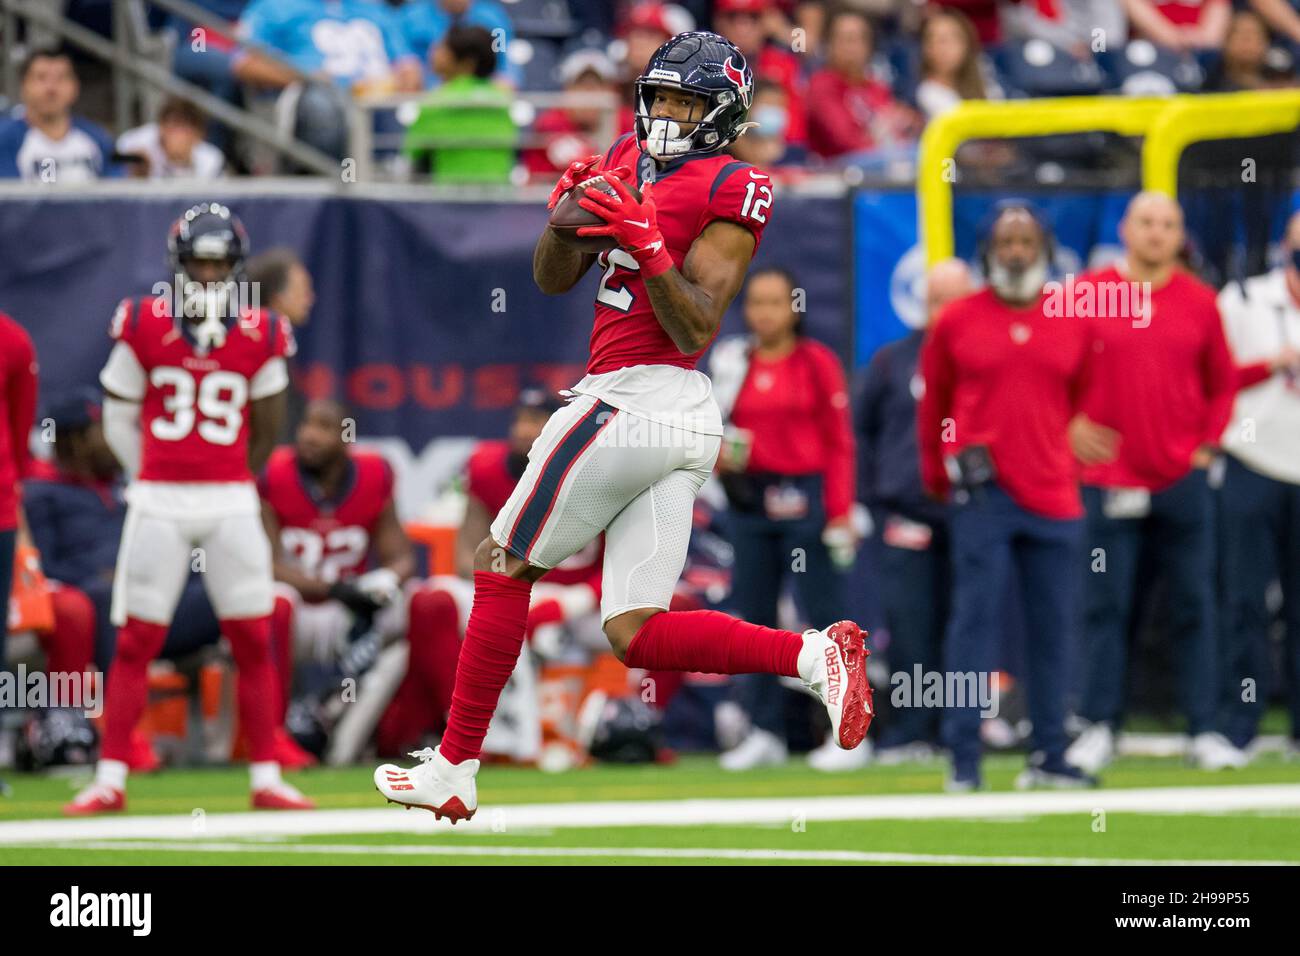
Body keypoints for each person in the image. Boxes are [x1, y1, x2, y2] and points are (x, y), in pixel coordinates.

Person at [374, 30, 872, 822]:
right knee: (637, 632)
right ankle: (815, 654)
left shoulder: (735, 184)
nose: (669, 113)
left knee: (502, 561)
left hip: (641, 394)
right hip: (664, 416)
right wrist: (563, 221)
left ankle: (457, 764)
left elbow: (694, 326)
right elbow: (551, 279)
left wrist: (648, 246)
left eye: (687, 101)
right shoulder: (623, 155)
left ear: (722, 113)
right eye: (662, 97)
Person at [65, 203, 314, 815]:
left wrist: (234, 474)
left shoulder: (262, 330)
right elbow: (119, 413)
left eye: (219, 263)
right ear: (179, 263)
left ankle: (266, 775)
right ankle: (111, 777)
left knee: (253, 636)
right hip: (159, 499)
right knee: (136, 640)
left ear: (235, 266)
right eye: (199, 263)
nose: (208, 275)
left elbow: (268, 425)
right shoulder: (144, 321)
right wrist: (145, 474)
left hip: (229, 499)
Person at [918, 204, 1093, 792]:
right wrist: (939, 478)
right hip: (984, 494)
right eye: (1005, 240)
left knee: (1054, 629)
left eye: (1025, 240)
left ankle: (1050, 754)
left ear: (1043, 247)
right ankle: (963, 759)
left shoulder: (1073, 319)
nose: (1016, 251)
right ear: (987, 249)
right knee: (974, 627)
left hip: (1055, 495)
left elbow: (1090, 402)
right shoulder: (958, 320)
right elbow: (934, 406)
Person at [1067, 192, 1243, 773]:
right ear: (1125, 228)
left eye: (1168, 224)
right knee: (1105, 606)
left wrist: (1207, 443)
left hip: (1181, 481)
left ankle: (1206, 729)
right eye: (1146, 222)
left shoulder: (1199, 301)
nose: (1156, 233)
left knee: (1195, 603)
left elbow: (1223, 383)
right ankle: (1097, 725)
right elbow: (1048, 373)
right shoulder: (1087, 294)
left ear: (1179, 234)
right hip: (1107, 478)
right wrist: (1068, 425)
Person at [376, 390, 604, 758]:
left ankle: (641, 728)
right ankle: (462, 728)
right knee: (431, 600)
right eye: (520, 420)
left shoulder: (598, 473)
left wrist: (574, 602)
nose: (523, 430)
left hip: (581, 600)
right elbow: (469, 555)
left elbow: (625, 562)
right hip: (511, 586)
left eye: (536, 421)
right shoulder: (487, 469)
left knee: (669, 608)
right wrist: (508, 587)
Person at [704, 267, 857, 772]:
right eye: (756, 303)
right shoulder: (733, 362)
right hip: (752, 502)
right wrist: (720, 457)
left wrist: (838, 513)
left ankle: (851, 731)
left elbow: (839, 443)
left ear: (795, 308)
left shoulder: (816, 363)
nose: (764, 313)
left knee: (827, 616)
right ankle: (764, 729)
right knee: (753, 620)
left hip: (806, 501)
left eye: (775, 302)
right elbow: (715, 427)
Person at [855, 258, 973, 769]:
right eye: (937, 299)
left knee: (969, 624)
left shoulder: (986, 358)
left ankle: (961, 727)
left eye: (955, 299)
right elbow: (860, 433)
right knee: (910, 625)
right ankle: (908, 730)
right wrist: (868, 498)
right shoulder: (892, 362)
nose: (945, 310)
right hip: (908, 512)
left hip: (974, 511)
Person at [260, 398, 416, 765]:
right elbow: (266, 565)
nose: (310, 436)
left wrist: (382, 581)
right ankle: (272, 738)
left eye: (324, 427)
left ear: (347, 438)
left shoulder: (375, 473)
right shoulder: (273, 474)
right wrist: (333, 590)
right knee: (272, 601)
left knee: (421, 605)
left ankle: (401, 736)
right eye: (307, 425)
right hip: (300, 612)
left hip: (348, 613)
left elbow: (402, 558)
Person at [1214, 210, 1300, 755]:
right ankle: (1237, 724)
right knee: (1243, 599)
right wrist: (1270, 364)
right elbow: (1214, 376)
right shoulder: (1243, 300)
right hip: (1252, 459)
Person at [402, 25, 517, 184]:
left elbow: (412, 153)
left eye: (443, 49)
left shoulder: (436, 100)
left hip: (447, 201)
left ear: (467, 62)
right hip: (501, 199)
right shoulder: (503, 100)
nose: (434, 53)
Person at [806, 8, 920, 162]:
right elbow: (845, 142)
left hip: (879, 169)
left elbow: (898, 130)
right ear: (829, 44)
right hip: (836, 173)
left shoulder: (877, 87)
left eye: (859, 39)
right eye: (845, 39)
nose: (852, 47)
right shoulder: (822, 85)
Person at [0, 49, 121, 182]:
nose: (51, 88)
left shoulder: (98, 139)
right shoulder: (5, 139)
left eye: (60, 78)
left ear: (75, 87)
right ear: (23, 86)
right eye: (41, 78)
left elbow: (117, 188)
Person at [523, 49, 624, 181]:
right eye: (581, 87)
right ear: (567, 90)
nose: (588, 97)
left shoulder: (624, 122)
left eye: (596, 87)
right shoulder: (550, 123)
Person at [402, 0, 519, 87]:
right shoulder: (412, 17)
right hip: (427, 93)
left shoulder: (494, 18)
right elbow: (404, 58)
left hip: (482, 94)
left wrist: (505, 80)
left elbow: (504, 58)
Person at [916, 8, 999, 120]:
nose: (946, 48)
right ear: (927, 49)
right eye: (941, 40)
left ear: (967, 43)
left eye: (954, 38)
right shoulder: (927, 91)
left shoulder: (983, 76)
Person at [116, 97, 227, 180]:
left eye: (184, 128)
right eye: (173, 126)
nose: (178, 135)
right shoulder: (135, 142)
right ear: (161, 127)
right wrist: (140, 172)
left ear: (198, 135)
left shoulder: (211, 159)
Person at [1120, 0, 1231, 51]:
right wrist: (1172, 36)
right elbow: (1134, 7)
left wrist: (1202, 38)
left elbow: (1218, 9)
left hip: (1200, 50)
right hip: (1149, 50)